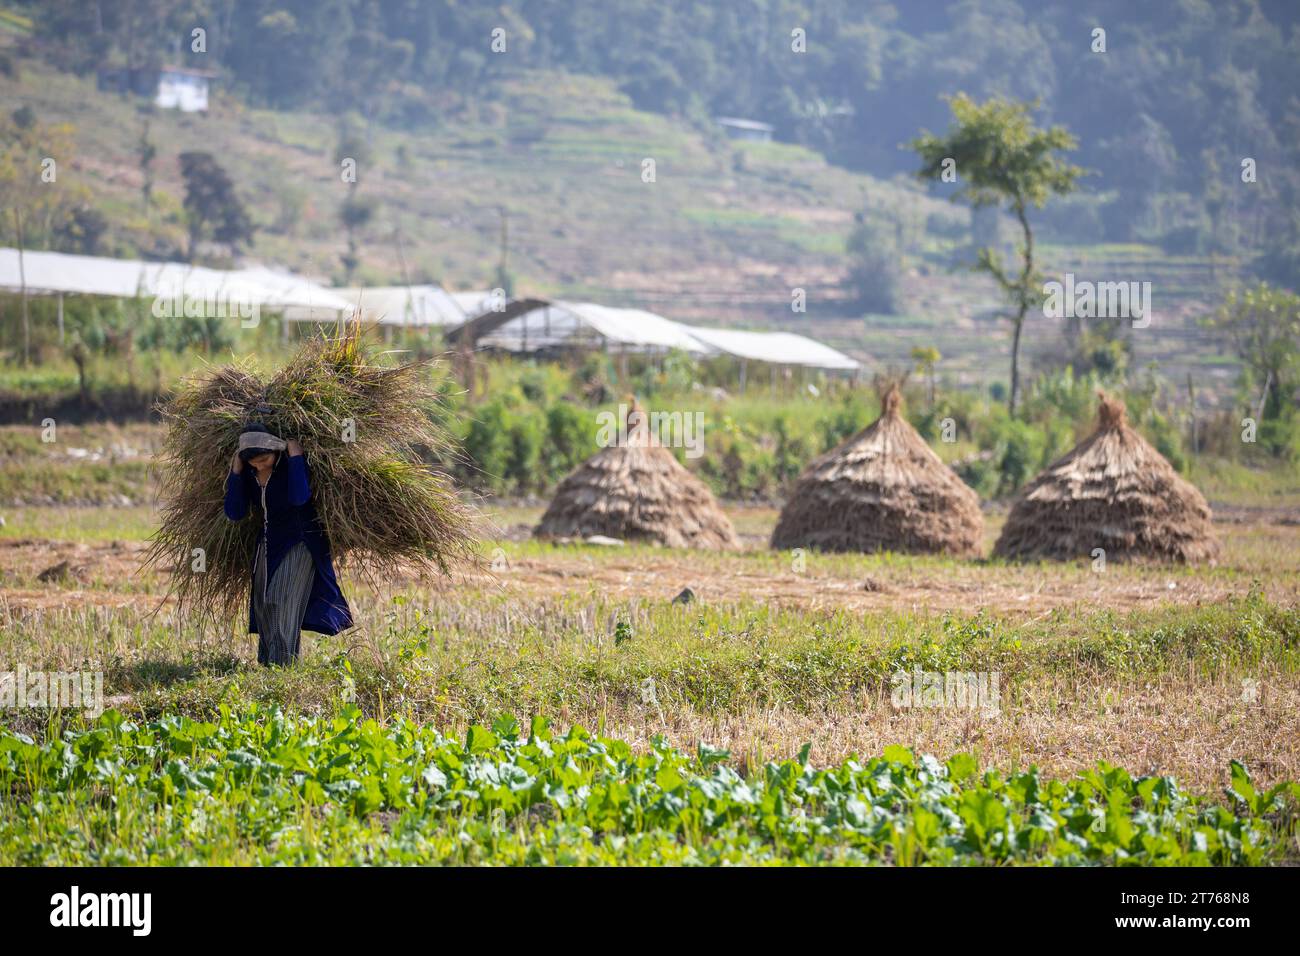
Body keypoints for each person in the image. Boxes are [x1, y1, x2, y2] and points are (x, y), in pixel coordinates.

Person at [223, 423, 352, 665]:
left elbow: (299, 498)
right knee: (263, 604)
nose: (260, 465)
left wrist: (296, 458)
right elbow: (234, 512)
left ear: (276, 449)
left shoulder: (286, 467)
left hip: (300, 540)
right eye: (254, 462)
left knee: (281, 600)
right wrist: (237, 472)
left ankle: (283, 663)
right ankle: (269, 662)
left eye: (264, 459)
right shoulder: (249, 474)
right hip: (268, 543)